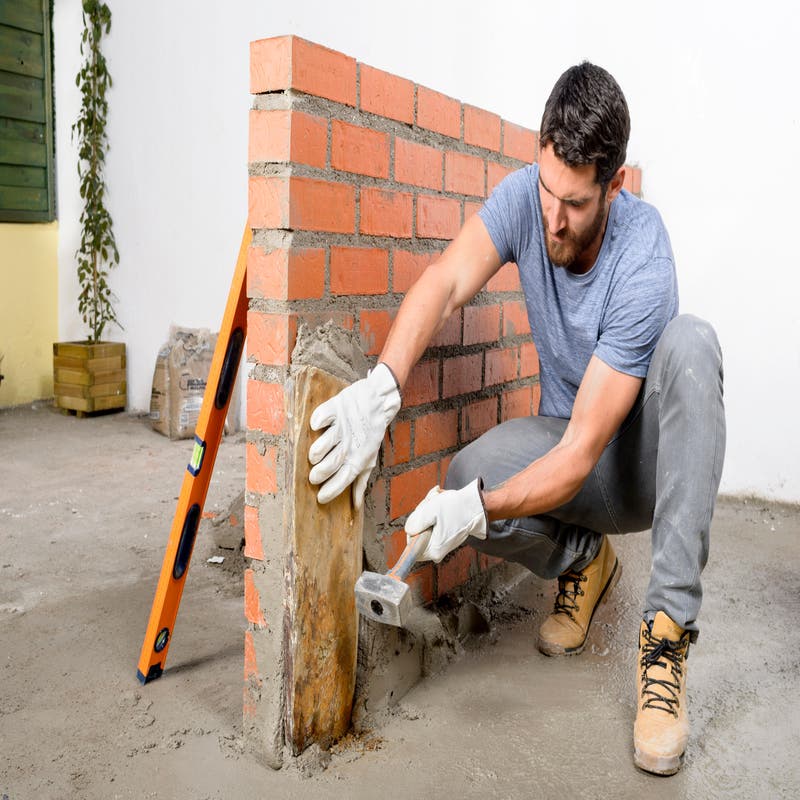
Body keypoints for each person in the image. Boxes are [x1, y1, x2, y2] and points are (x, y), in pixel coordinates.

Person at [306, 62, 725, 776]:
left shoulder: (643, 254)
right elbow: (443, 283)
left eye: (576, 203)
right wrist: (383, 384)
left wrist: (479, 512)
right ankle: (586, 565)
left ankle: (665, 638)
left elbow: (585, 448)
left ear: (614, 186)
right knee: (466, 472)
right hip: (573, 453)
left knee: (693, 344)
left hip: (640, 470)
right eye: (546, 191)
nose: (554, 219)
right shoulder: (523, 202)